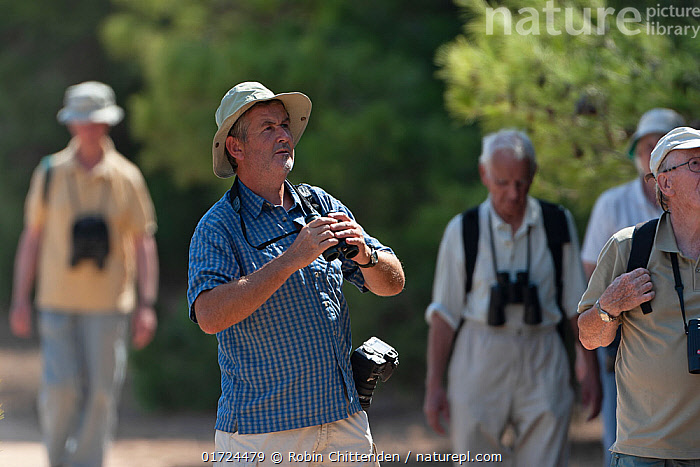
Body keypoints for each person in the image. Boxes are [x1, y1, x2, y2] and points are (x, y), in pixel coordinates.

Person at [187, 81, 405, 464]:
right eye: (267, 128)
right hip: (262, 434)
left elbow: (393, 283)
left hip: (345, 422)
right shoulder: (217, 227)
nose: (284, 135)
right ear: (235, 148)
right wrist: (291, 258)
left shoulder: (320, 204)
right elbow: (209, 316)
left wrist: (367, 256)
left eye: (285, 125)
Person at [423, 129, 600, 466]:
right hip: (479, 352)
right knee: (475, 457)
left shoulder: (556, 223)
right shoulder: (463, 229)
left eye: (521, 182)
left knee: (546, 458)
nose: (513, 193)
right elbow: (444, 315)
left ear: (533, 174)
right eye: (503, 182)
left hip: (543, 350)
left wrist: (589, 371)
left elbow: (577, 305)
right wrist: (434, 386)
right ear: (484, 175)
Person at [9, 81, 159, 467]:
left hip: (110, 304)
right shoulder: (49, 173)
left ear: (107, 124)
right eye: (82, 121)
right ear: (71, 125)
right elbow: (32, 238)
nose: (89, 128)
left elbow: (144, 241)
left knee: (102, 394)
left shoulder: (127, 176)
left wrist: (146, 303)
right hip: (56, 301)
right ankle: (57, 460)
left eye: (96, 121)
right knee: (60, 389)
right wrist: (19, 300)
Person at [578, 126, 700, 465]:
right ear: (665, 184)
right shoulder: (628, 247)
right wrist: (610, 305)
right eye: (694, 164)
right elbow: (589, 336)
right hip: (643, 453)